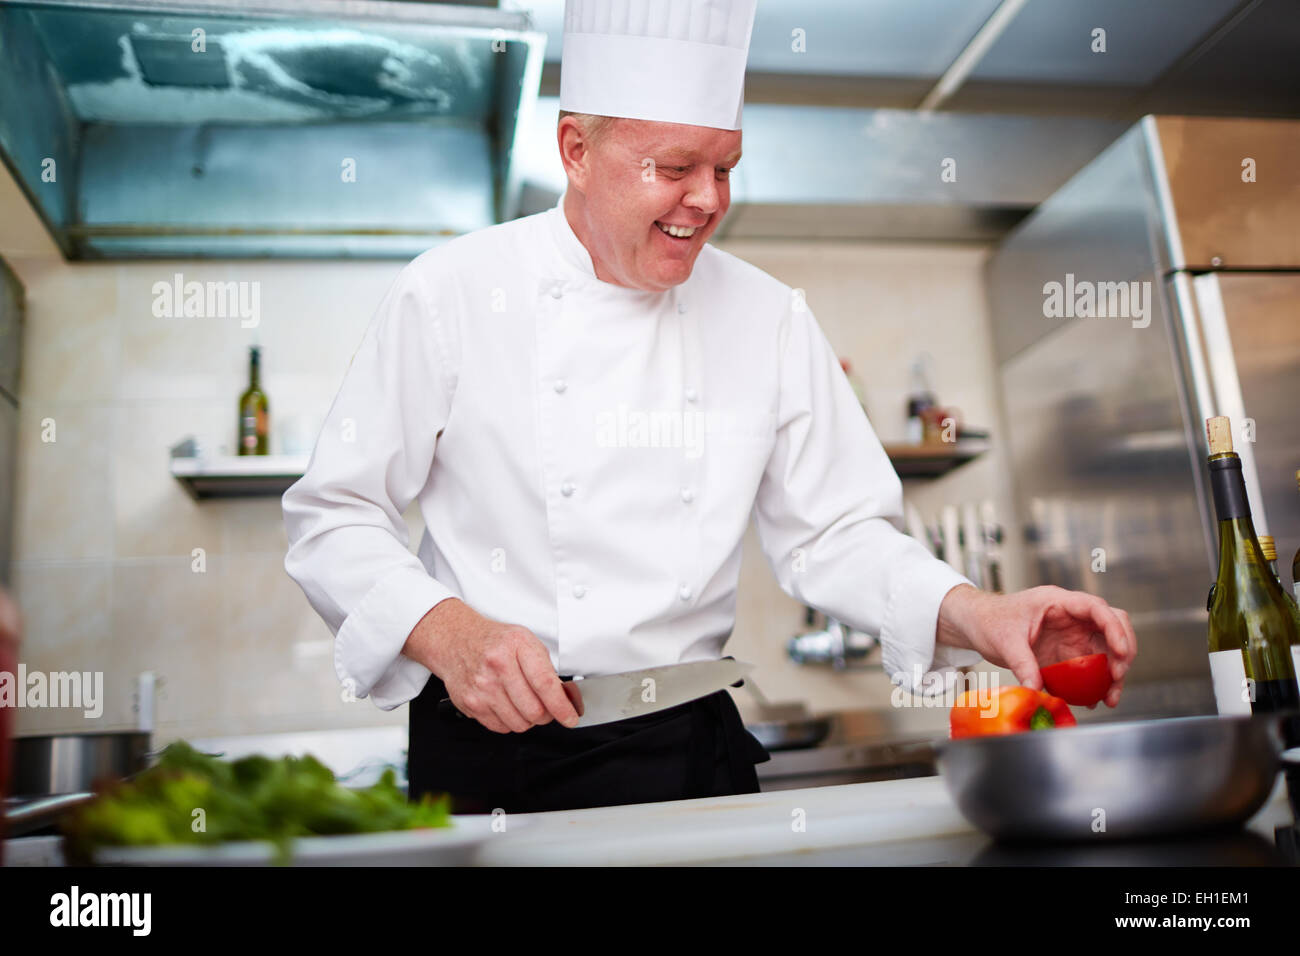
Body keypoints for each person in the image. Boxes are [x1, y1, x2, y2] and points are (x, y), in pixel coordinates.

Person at [282, 0, 1136, 814]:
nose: (708, 199)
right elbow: (333, 514)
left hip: (687, 752)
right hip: (487, 753)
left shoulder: (768, 316)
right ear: (575, 149)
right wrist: (444, 629)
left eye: (724, 167)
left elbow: (838, 536)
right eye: (675, 167)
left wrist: (982, 614)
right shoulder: (450, 293)